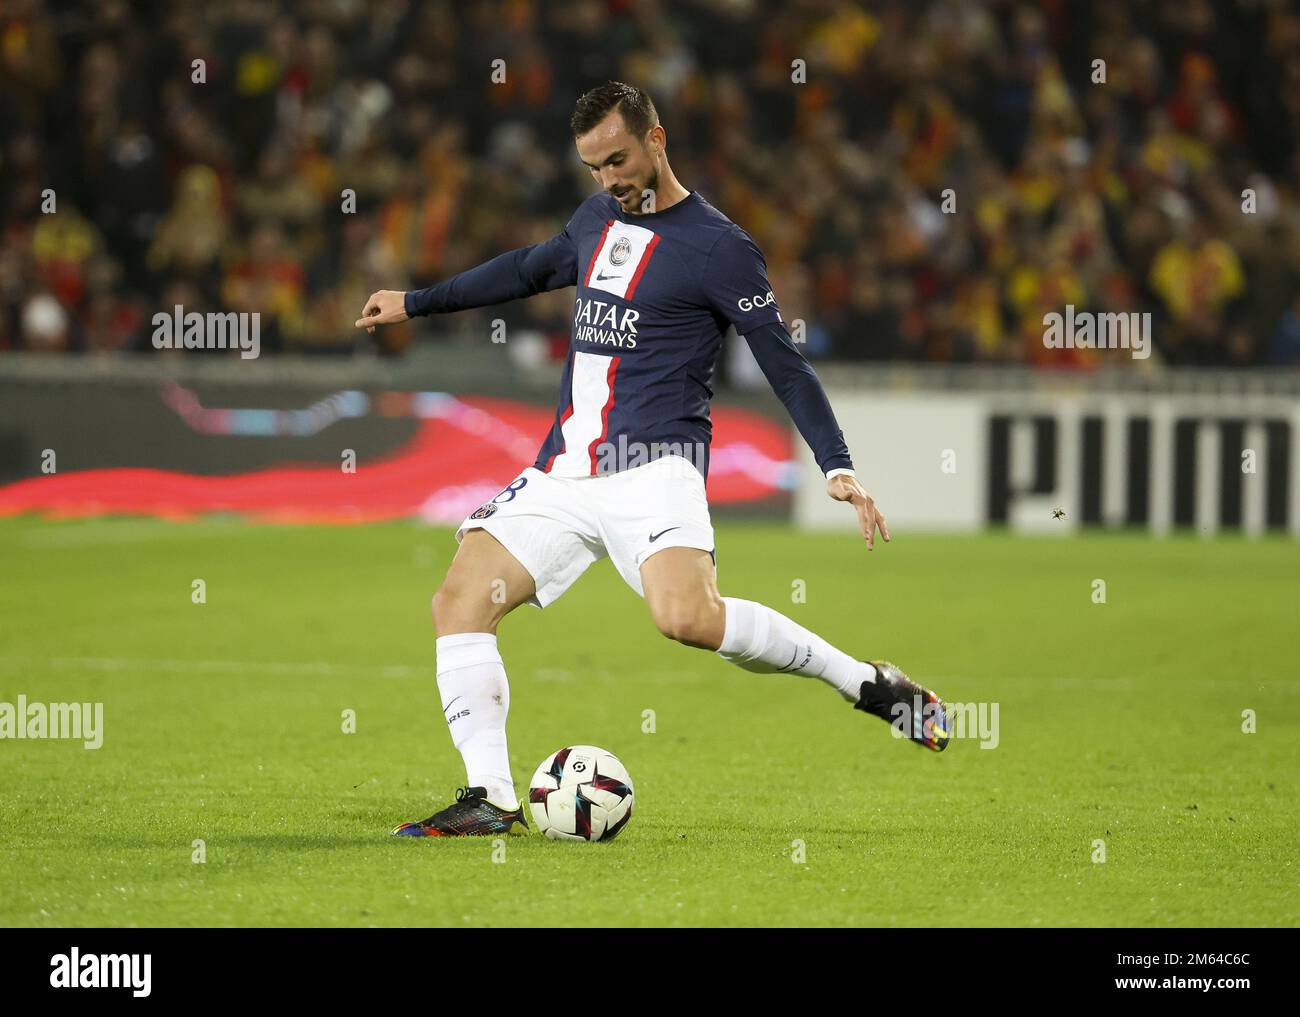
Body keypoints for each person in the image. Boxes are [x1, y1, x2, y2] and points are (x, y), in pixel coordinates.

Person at [356, 82, 951, 838]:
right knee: (460, 599)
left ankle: (867, 683)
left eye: (619, 159)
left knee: (686, 617)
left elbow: (784, 363)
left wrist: (835, 461)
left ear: (656, 140)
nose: (609, 179)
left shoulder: (719, 248)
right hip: (566, 468)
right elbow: (526, 269)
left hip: (654, 466)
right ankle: (491, 797)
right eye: (594, 167)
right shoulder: (595, 218)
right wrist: (418, 300)